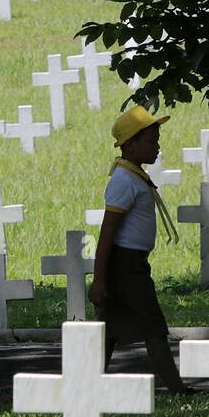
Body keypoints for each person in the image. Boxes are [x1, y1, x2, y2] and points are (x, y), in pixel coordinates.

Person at [87, 105, 187, 394]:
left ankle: (88, 383)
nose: (157, 147)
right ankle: (175, 387)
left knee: (107, 330)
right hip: (126, 265)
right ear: (130, 145)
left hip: (130, 262)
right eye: (151, 141)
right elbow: (107, 233)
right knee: (153, 325)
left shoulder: (133, 175)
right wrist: (100, 278)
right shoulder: (124, 180)